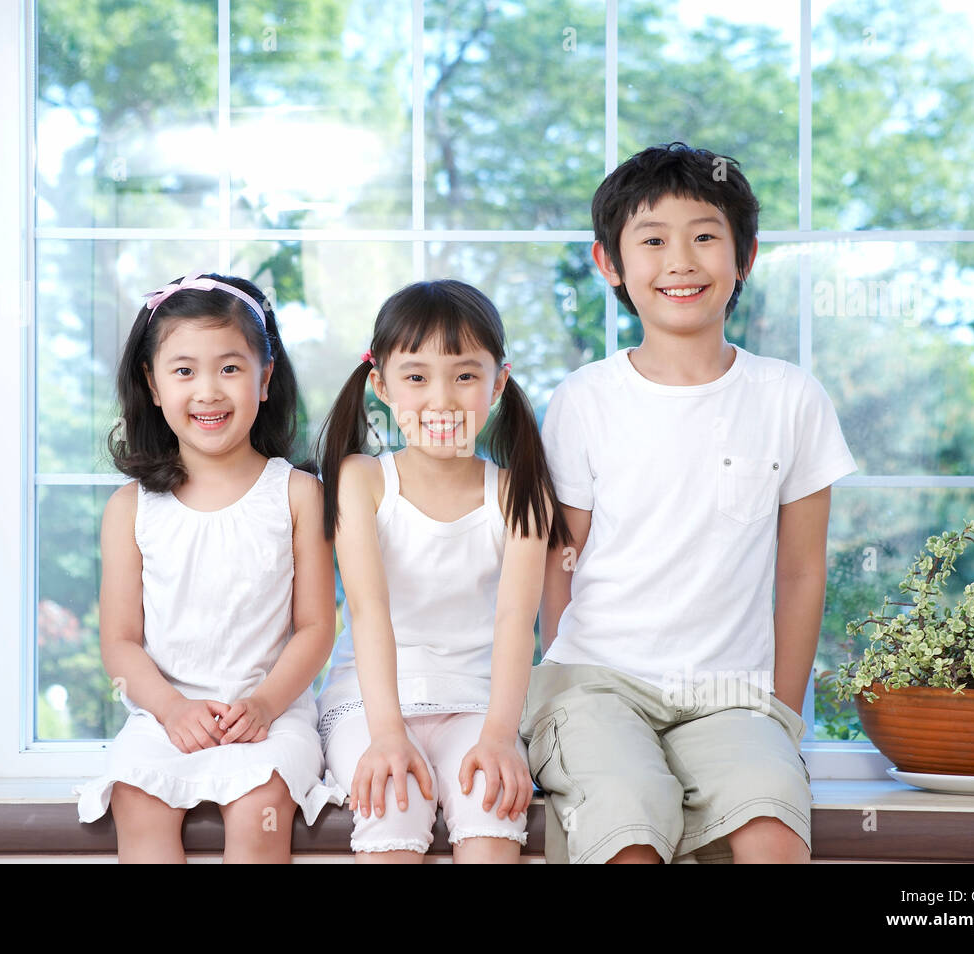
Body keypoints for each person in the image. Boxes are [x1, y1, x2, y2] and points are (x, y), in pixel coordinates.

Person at [524, 143, 858, 864]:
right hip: (599, 687)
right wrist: (561, 672)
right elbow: (560, 559)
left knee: (771, 836)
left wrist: (782, 717)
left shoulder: (791, 398)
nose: (680, 261)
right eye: (652, 241)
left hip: (733, 696)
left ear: (746, 257)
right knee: (628, 833)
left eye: (705, 236)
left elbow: (801, 573)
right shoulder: (585, 399)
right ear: (608, 263)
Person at [76, 271, 341, 863]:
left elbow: (317, 628)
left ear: (264, 378)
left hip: (271, 714)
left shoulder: (297, 494)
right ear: (152, 384)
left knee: (259, 809)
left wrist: (266, 704)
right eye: (183, 370)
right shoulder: (130, 508)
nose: (208, 391)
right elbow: (120, 642)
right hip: (162, 713)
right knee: (137, 799)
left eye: (229, 368)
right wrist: (170, 709)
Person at [316, 280, 568, 863]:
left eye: (464, 375)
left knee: (490, 810)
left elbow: (515, 621)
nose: (442, 400)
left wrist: (501, 737)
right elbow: (368, 610)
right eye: (416, 377)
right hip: (369, 703)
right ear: (380, 383)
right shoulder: (362, 479)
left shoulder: (519, 494)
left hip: (480, 705)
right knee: (393, 804)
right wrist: (386, 736)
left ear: (497, 382)